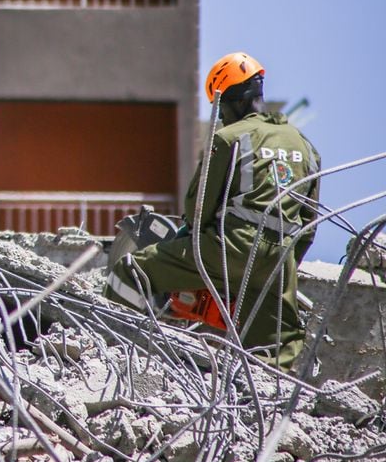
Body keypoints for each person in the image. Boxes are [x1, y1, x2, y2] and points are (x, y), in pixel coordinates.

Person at [104, 52, 321, 368]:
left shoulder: (230, 138)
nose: (221, 116)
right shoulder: (306, 147)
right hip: (279, 259)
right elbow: (308, 226)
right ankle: (265, 395)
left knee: (131, 271)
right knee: (275, 349)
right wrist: (279, 267)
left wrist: (191, 248)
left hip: (231, 247)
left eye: (221, 108)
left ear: (233, 100)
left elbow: (198, 209)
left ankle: (111, 352)